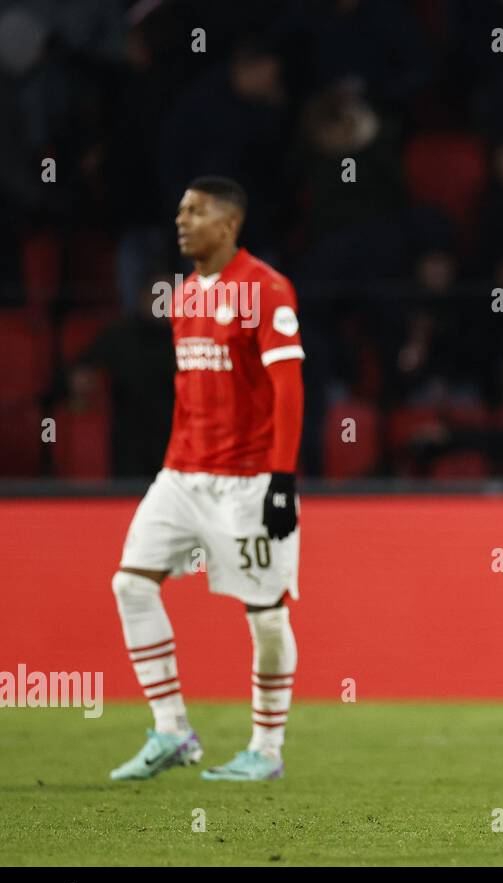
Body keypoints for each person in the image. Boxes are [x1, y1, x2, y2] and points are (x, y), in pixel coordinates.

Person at [108, 177, 305, 783]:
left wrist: (282, 479)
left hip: (247, 482)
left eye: (195, 211)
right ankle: (172, 731)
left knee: (267, 618)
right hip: (181, 474)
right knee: (130, 585)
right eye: (179, 211)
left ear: (229, 223)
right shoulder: (185, 294)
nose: (182, 221)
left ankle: (266, 750)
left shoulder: (268, 289)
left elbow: (288, 387)